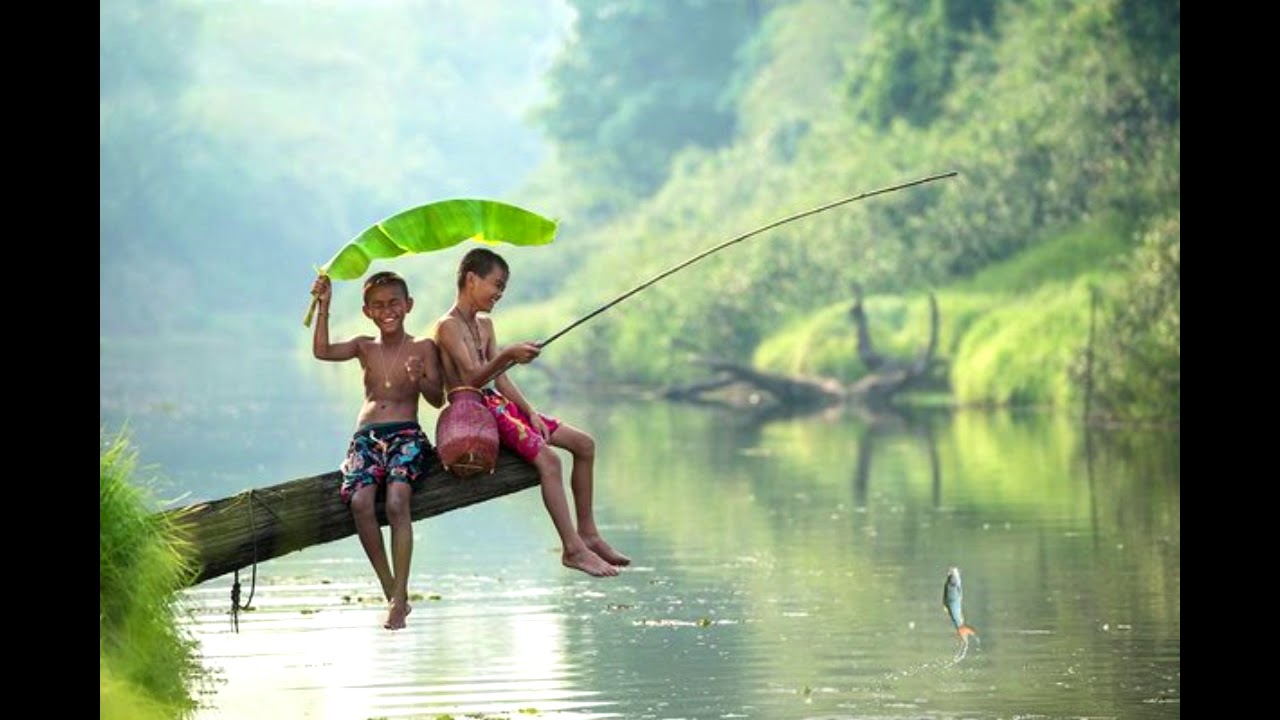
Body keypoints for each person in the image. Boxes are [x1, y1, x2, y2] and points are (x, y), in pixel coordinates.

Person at [434, 247, 630, 577]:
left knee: (584, 445)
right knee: (550, 462)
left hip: (500, 406)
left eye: (503, 288)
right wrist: (508, 354)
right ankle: (572, 549)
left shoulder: (485, 324)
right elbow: (471, 379)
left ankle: (589, 534)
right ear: (471, 279)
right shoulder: (447, 326)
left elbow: (500, 379)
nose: (500, 294)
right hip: (475, 411)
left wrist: (530, 412)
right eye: (497, 285)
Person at [310, 270, 444, 630]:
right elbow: (322, 351)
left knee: (398, 501)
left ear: (408, 305)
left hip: (406, 435)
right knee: (360, 503)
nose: (387, 311)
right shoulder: (363, 346)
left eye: (394, 303)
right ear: (367, 311)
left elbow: (437, 398)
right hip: (367, 438)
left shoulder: (423, 347)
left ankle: (400, 594)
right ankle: (392, 592)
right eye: (378, 306)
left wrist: (420, 378)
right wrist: (324, 305)